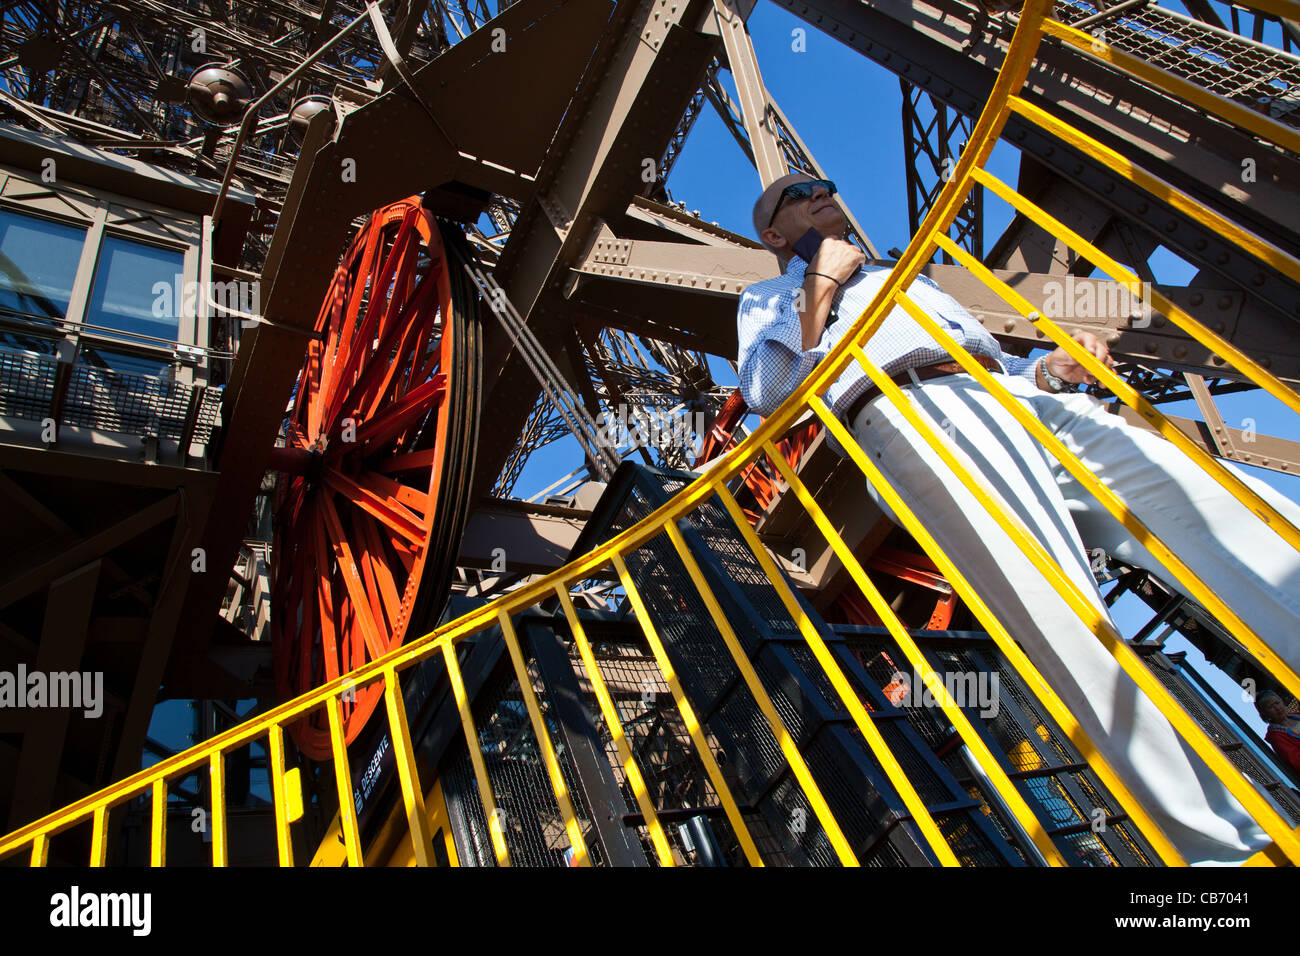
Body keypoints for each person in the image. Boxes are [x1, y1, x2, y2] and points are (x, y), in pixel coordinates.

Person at [737, 172, 1300, 865]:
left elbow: (992, 361)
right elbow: (767, 391)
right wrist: (818, 286)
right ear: (772, 235)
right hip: (913, 414)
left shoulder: (905, 274)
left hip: (1008, 397)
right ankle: (1227, 855)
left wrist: (1049, 371)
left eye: (823, 184)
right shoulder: (766, 298)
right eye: (798, 196)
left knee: (1216, 508)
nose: (822, 190)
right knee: (1066, 627)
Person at [1257, 690, 1300, 776]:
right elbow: (1296, 762)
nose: (1277, 708)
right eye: (1271, 707)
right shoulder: (1276, 737)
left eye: (1277, 703)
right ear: (1265, 713)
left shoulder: (1297, 715)